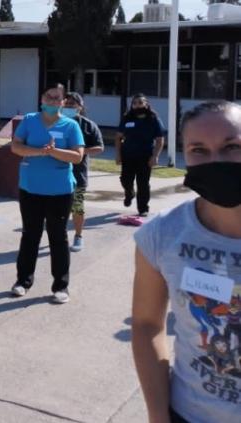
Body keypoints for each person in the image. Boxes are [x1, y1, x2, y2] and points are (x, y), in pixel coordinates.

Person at [132, 101, 241, 423]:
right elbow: (146, 325)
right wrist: (157, 415)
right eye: (198, 150)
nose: (216, 161)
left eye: (232, 146)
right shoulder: (162, 235)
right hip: (190, 414)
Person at [10, 84, 84, 304]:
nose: (52, 101)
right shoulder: (30, 120)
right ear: (41, 98)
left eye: (56, 98)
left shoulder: (70, 125)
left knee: (58, 238)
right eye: (48, 97)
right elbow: (16, 146)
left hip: (60, 191)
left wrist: (54, 152)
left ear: (62, 102)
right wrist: (39, 152)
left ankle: (61, 286)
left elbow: (77, 156)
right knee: (30, 235)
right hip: (31, 189)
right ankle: (23, 281)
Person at [61, 92, 104, 252]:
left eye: (73, 104)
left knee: (77, 206)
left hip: (78, 174)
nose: (70, 106)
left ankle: (78, 236)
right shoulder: (55, 123)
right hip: (56, 174)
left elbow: (99, 147)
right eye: (67, 103)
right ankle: (58, 236)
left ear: (80, 107)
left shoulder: (88, 125)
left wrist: (79, 151)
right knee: (57, 209)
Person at [115, 94, 166, 217]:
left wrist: (155, 156)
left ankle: (143, 208)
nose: (137, 105)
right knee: (125, 179)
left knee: (143, 183)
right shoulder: (127, 118)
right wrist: (118, 154)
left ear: (146, 104)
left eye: (140, 102)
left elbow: (160, 139)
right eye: (134, 103)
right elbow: (118, 137)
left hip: (145, 156)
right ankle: (129, 193)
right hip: (128, 155)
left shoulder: (153, 119)